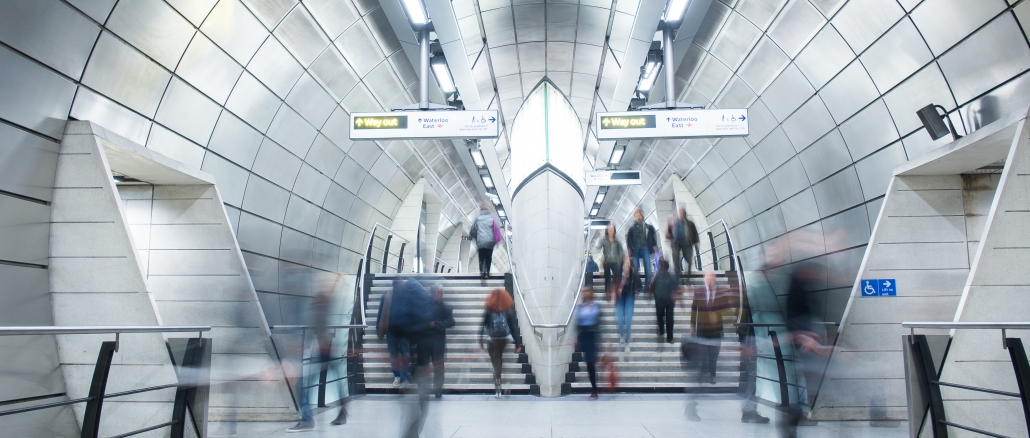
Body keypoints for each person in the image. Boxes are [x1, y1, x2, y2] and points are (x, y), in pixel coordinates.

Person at [287, 274, 348, 432]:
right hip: (324, 348)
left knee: (304, 383)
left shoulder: (322, 301)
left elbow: (319, 324)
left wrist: (311, 344)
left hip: (323, 349)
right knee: (330, 381)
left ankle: (307, 419)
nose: (318, 285)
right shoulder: (322, 301)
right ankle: (342, 411)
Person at [684, 271, 725, 422]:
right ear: (704, 279)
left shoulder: (720, 293)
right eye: (707, 277)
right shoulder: (700, 292)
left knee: (714, 354)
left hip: (715, 332)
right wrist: (691, 326)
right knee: (701, 361)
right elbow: (694, 309)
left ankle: (711, 373)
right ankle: (692, 403)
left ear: (714, 279)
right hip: (701, 332)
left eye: (711, 277)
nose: (709, 279)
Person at [479, 288, 518, 397]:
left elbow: (483, 325)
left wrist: (480, 341)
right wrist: (518, 343)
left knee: (495, 361)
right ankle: (499, 382)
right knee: (499, 358)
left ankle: (497, 386)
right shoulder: (507, 309)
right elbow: (513, 326)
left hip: (492, 338)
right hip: (503, 338)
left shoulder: (489, 309)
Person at [378, 279, 410, 387]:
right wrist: (379, 327)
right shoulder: (387, 296)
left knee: (404, 353)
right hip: (391, 330)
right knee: (394, 354)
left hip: (404, 330)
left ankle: (404, 376)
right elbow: (381, 311)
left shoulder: (406, 296)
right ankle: (397, 376)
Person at [426, 285, 455, 398]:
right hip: (425, 340)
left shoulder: (445, 307)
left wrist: (437, 324)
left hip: (438, 341)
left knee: (438, 366)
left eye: (438, 293)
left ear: (442, 294)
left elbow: (451, 322)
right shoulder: (425, 305)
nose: (435, 294)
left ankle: (438, 389)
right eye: (434, 292)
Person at [576, 287, 601, 399]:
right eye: (583, 292)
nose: (585, 294)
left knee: (591, 363)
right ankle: (594, 387)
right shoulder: (580, 308)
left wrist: (600, 341)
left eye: (587, 291)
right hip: (584, 336)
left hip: (592, 335)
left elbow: (599, 324)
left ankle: (595, 389)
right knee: (589, 364)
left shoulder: (596, 306)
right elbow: (577, 324)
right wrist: (577, 339)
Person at [625, 208, 657, 293]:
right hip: (636, 250)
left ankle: (647, 286)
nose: (638, 217)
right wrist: (629, 250)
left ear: (642, 216)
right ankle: (638, 284)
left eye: (639, 215)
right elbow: (628, 240)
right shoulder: (631, 228)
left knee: (648, 267)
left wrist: (654, 246)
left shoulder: (649, 227)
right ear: (635, 217)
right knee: (635, 268)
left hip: (646, 248)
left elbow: (652, 238)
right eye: (636, 216)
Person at [649, 258, 678, 344]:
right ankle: (661, 330)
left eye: (663, 265)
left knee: (669, 320)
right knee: (660, 317)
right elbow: (652, 286)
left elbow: (675, 289)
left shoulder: (671, 277)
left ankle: (670, 337)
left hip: (669, 301)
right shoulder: (657, 276)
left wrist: (674, 300)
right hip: (660, 300)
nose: (661, 267)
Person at [666, 207, 700, 279]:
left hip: (687, 243)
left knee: (689, 260)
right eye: (680, 213)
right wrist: (669, 236)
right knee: (676, 260)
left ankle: (688, 277)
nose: (681, 215)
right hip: (675, 244)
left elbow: (695, 233)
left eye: (682, 213)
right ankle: (677, 277)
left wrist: (696, 242)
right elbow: (667, 233)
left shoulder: (690, 223)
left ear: (685, 214)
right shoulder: (672, 223)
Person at [470, 202, 501, 278]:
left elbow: (472, 230)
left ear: (481, 209)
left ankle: (482, 271)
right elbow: (496, 230)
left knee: (481, 256)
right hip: (490, 241)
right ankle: (487, 272)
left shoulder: (477, 219)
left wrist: (475, 237)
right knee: (488, 257)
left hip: (480, 241)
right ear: (489, 209)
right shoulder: (492, 219)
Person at [615, 255, 638, 351]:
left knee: (628, 321)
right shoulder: (618, 273)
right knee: (620, 319)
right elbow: (614, 284)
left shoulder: (633, 273)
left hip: (630, 297)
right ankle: (621, 335)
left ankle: (627, 342)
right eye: (625, 263)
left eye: (628, 263)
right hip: (620, 298)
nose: (626, 265)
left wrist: (637, 288)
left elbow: (639, 284)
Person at [599, 223, 625, 300]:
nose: (611, 230)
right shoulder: (604, 240)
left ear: (614, 230)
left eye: (612, 229)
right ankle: (607, 292)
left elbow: (621, 251)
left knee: (616, 276)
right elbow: (598, 247)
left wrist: (620, 260)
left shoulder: (617, 241)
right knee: (607, 277)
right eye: (609, 229)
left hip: (615, 261)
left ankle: (616, 291)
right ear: (607, 230)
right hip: (607, 261)